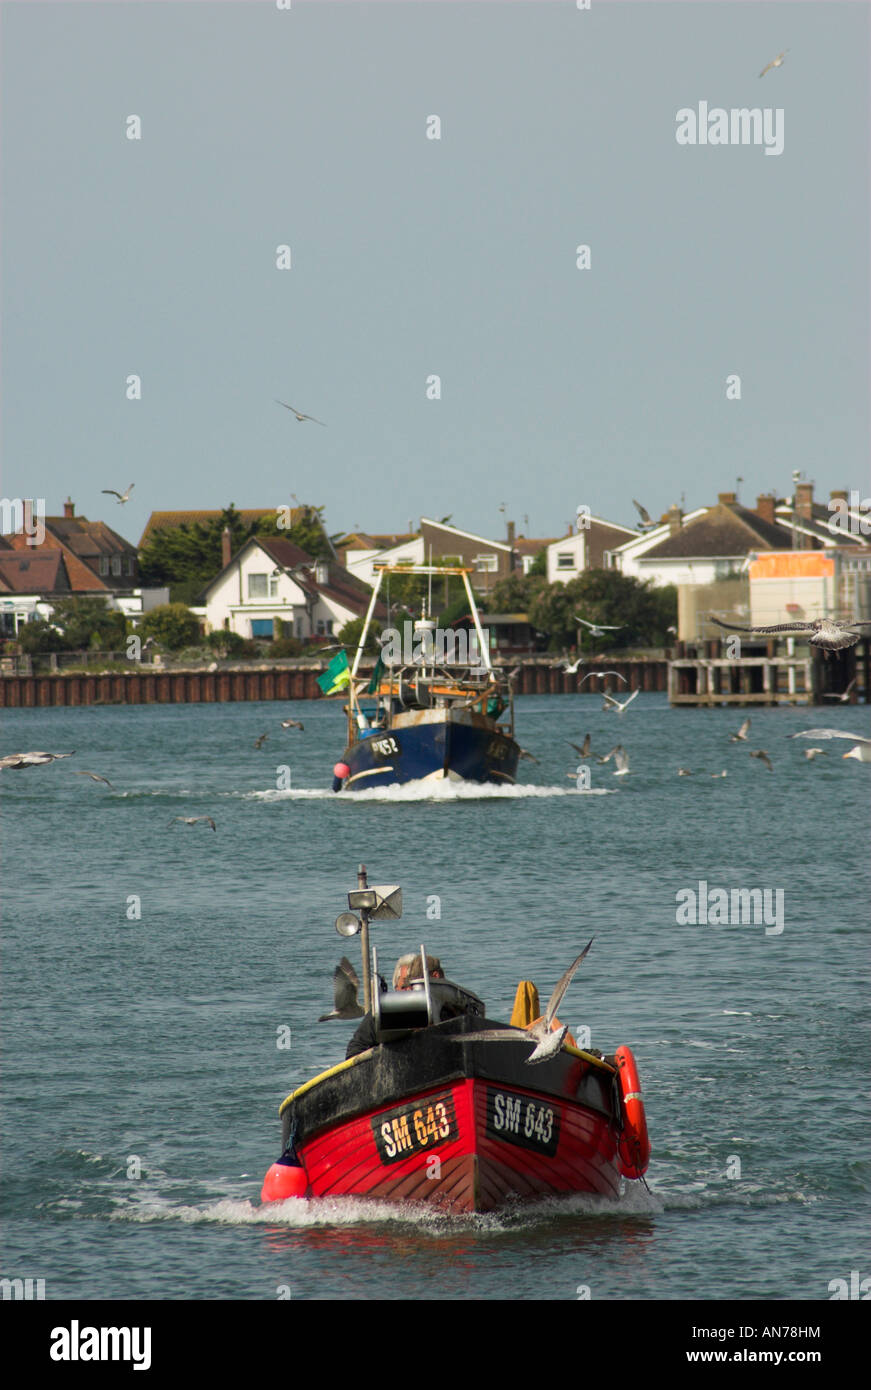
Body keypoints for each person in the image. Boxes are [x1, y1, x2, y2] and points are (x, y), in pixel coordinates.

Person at [345, 952, 444, 1059]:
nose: (411, 991)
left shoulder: (444, 1009)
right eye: (405, 986)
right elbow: (354, 1052)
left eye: (416, 985)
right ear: (396, 988)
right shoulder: (381, 1013)